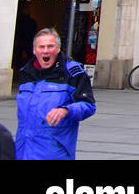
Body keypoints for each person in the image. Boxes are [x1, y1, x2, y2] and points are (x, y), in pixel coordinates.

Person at [14, 28, 96, 160]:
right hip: (23, 151)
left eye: (50, 46)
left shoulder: (72, 72)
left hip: (54, 153)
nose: (46, 50)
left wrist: (66, 110)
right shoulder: (26, 73)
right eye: (41, 47)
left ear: (58, 49)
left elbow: (88, 105)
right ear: (35, 50)